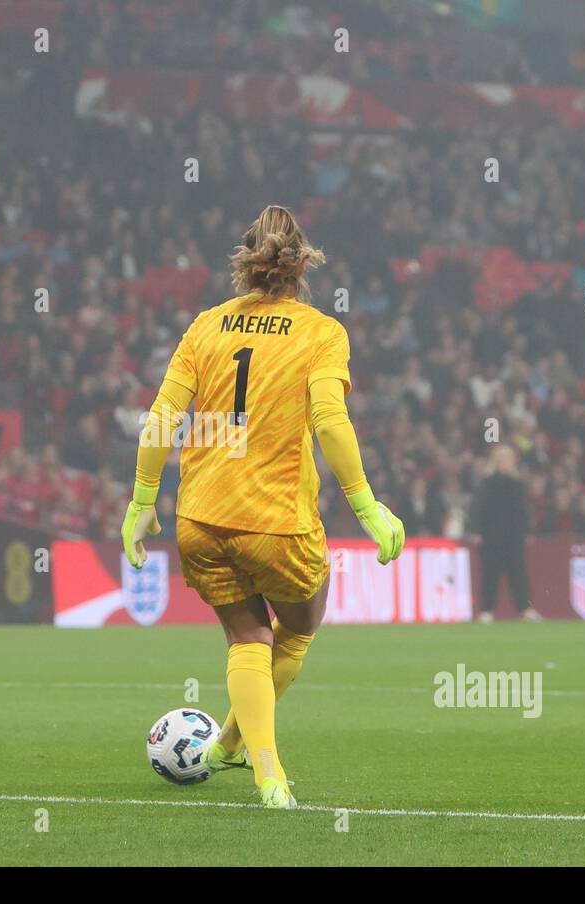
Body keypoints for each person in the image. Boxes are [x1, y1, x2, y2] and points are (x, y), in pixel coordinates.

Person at [120, 205, 405, 809]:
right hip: (277, 521)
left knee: (245, 636)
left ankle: (246, 760)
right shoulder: (321, 332)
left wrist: (141, 502)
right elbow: (330, 421)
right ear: (303, 266)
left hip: (199, 518)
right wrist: (369, 507)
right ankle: (251, 762)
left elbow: (163, 418)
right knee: (296, 629)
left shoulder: (205, 326)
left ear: (243, 264)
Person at [471, 445, 541, 623]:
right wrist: (476, 530)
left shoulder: (517, 484)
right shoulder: (486, 483)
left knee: (518, 574)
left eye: (507, 459)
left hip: (513, 536)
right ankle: (487, 610)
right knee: (489, 575)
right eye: (501, 459)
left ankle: (524, 609)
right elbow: (478, 509)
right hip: (491, 535)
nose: (504, 463)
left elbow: (523, 510)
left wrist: (526, 531)